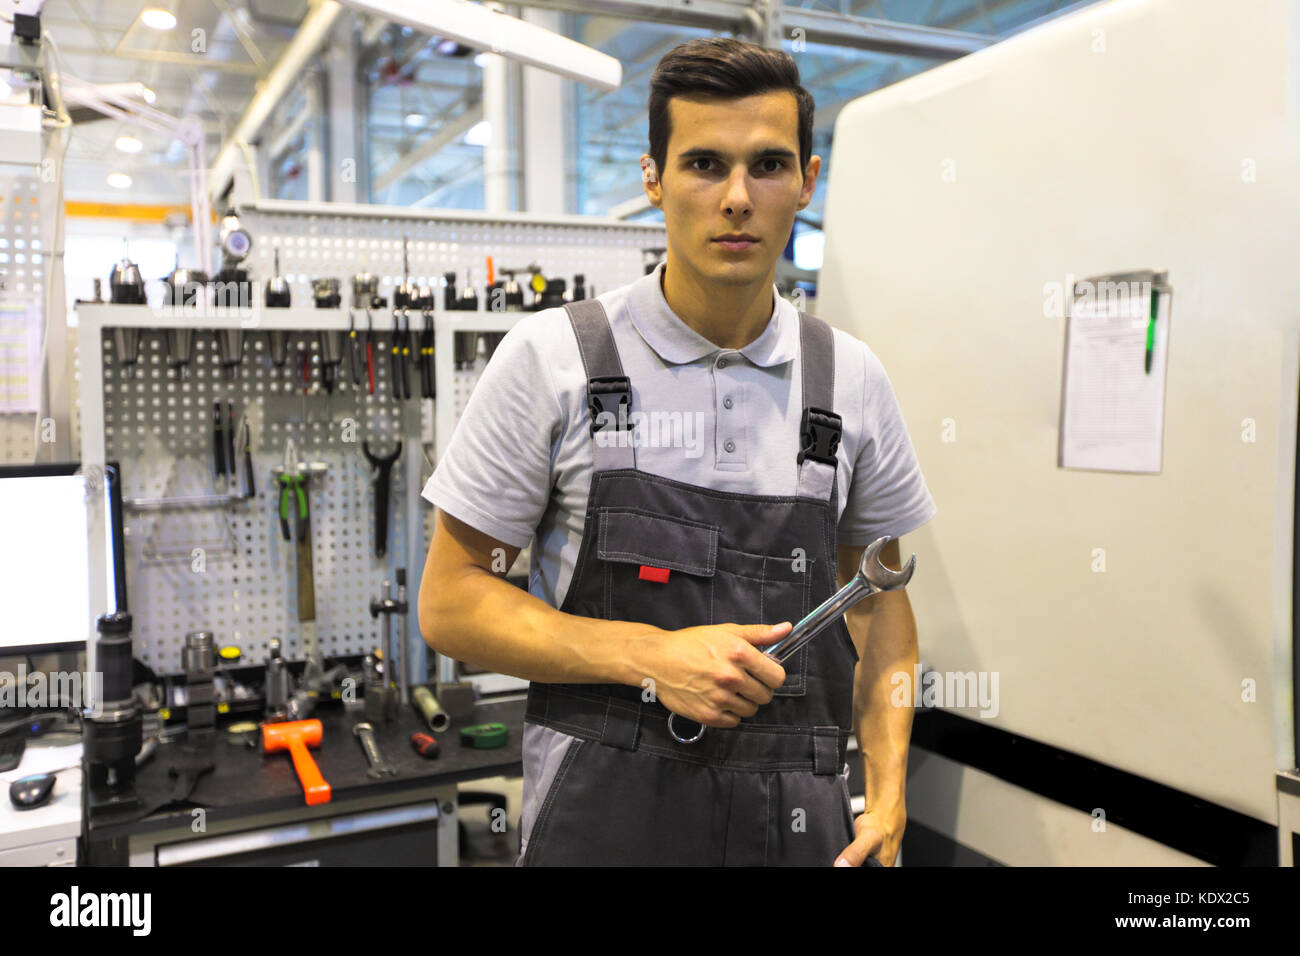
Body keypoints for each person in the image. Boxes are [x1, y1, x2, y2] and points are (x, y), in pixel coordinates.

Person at [418, 36, 936, 866]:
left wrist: (889, 795)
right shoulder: (554, 360)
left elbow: (878, 606)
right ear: (653, 178)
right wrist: (652, 657)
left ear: (807, 181)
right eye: (703, 164)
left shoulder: (851, 380)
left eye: (768, 166)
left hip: (799, 829)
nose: (737, 198)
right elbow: (450, 605)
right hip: (605, 826)